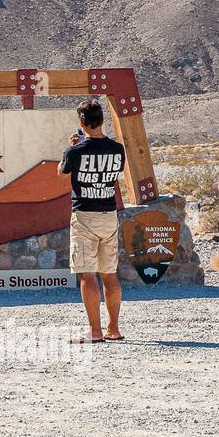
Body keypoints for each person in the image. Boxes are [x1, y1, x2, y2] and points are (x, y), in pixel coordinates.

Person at [58, 99, 127, 343]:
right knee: (109, 274)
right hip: (109, 214)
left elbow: (62, 172)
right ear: (102, 121)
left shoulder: (75, 151)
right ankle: (113, 329)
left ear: (81, 123)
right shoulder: (117, 149)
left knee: (87, 275)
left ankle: (95, 331)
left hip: (85, 215)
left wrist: (72, 147)